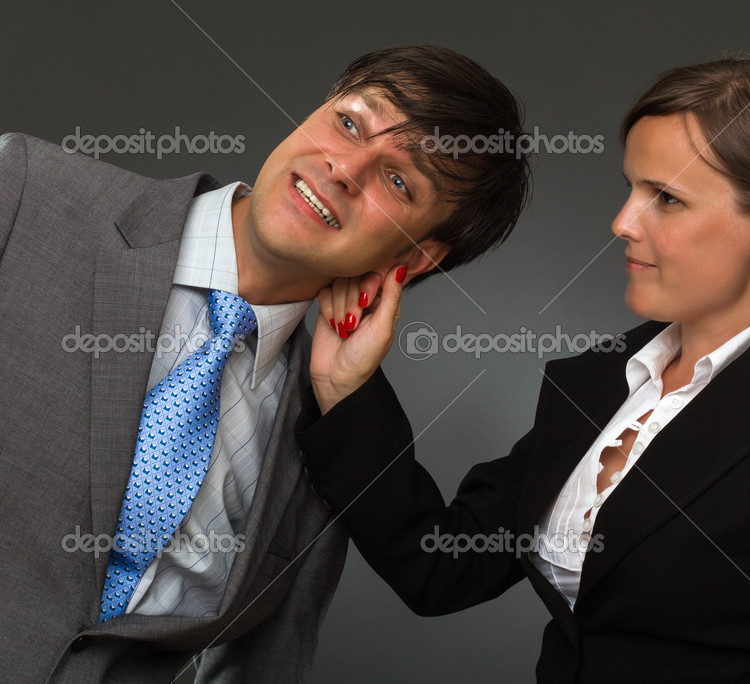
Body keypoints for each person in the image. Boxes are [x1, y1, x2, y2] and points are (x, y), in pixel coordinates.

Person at [297, 56, 750, 682]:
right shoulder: (598, 384)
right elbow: (439, 567)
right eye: (630, 189)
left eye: (666, 198)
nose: (621, 223)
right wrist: (346, 387)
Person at [0, 44, 530, 682]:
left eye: (398, 181)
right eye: (350, 123)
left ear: (417, 258)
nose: (344, 166)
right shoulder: (25, 190)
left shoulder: (330, 442)